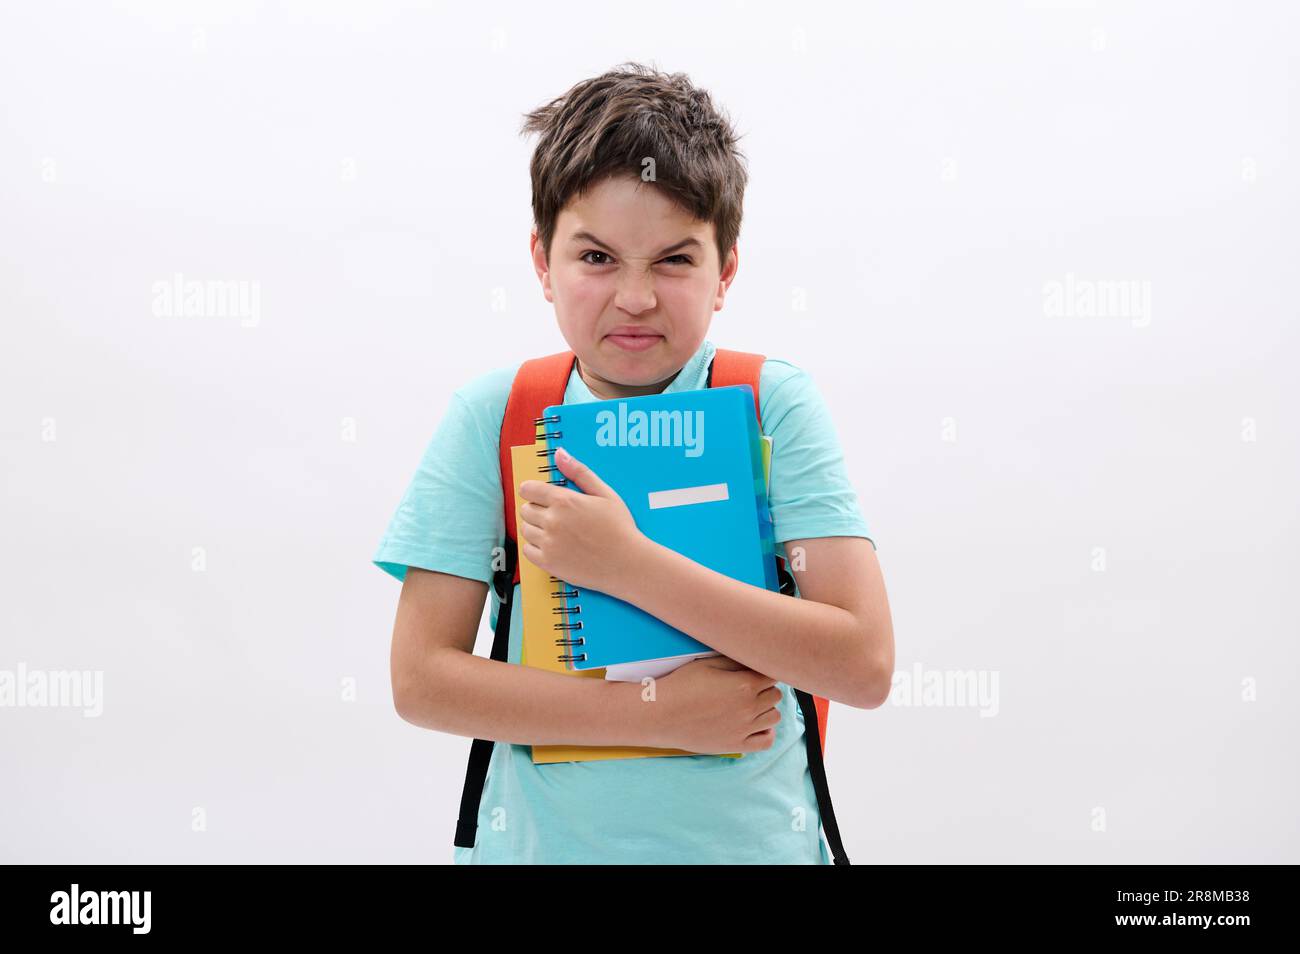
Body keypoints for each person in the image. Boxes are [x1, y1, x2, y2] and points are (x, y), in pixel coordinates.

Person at [373, 62, 894, 864]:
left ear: (726, 272)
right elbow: (422, 681)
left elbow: (863, 666)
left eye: (675, 261)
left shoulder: (771, 404)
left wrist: (628, 566)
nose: (636, 297)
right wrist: (656, 716)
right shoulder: (498, 413)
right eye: (598, 258)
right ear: (542, 260)